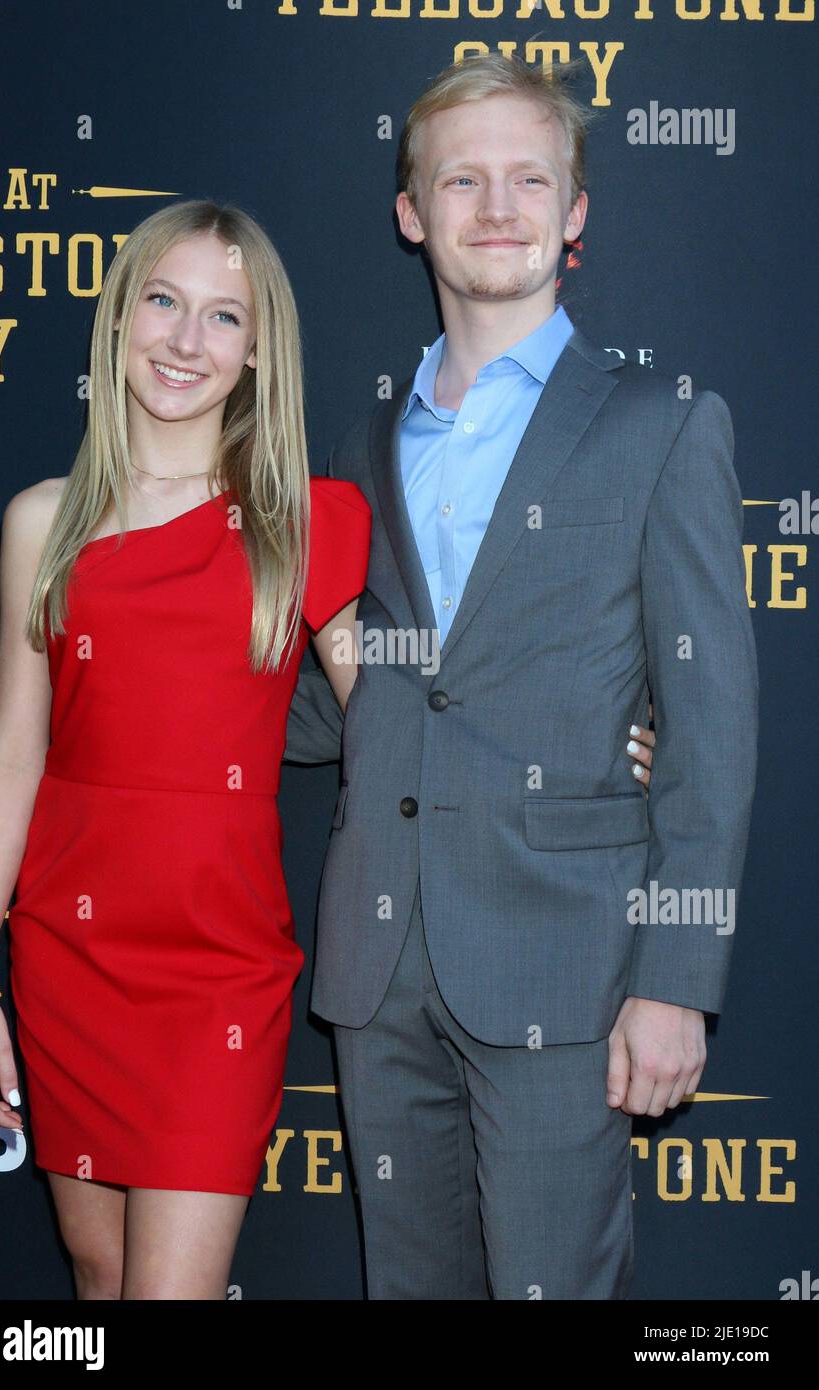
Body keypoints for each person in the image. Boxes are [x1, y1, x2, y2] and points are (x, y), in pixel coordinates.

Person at [283, 54, 759, 1299]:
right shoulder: (360, 441)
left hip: (571, 961)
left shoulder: (661, 422)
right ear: (410, 213)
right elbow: (344, 701)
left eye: (527, 178)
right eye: (461, 180)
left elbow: (709, 728)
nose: (496, 207)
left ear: (574, 211)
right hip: (379, 962)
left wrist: (674, 983)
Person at [0, 201, 371, 1300]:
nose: (186, 342)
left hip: (218, 972)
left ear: (254, 351)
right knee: (97, 1277)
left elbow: (402, 719)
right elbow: (14, 754)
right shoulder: (44, 523)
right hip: (67, 953)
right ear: (120, 316)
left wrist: (575, 744)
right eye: (165, 301)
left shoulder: (302, 523)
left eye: (222, 316)